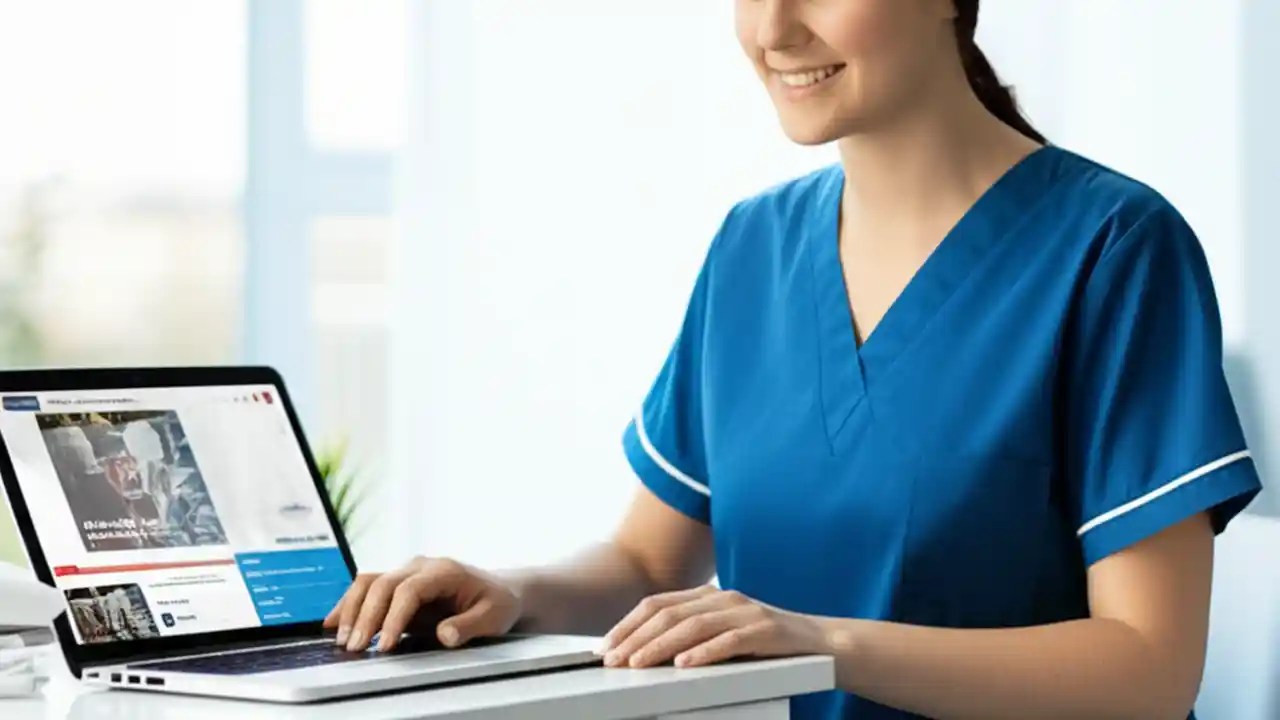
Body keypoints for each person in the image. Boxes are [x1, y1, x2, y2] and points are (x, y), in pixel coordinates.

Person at [326, 2, 1263, 718]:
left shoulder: (1114, 250)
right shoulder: (752, 248)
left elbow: (1149, 667)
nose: (774, 28)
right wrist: (512, 591)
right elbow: (649, 560)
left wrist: (822, 643)